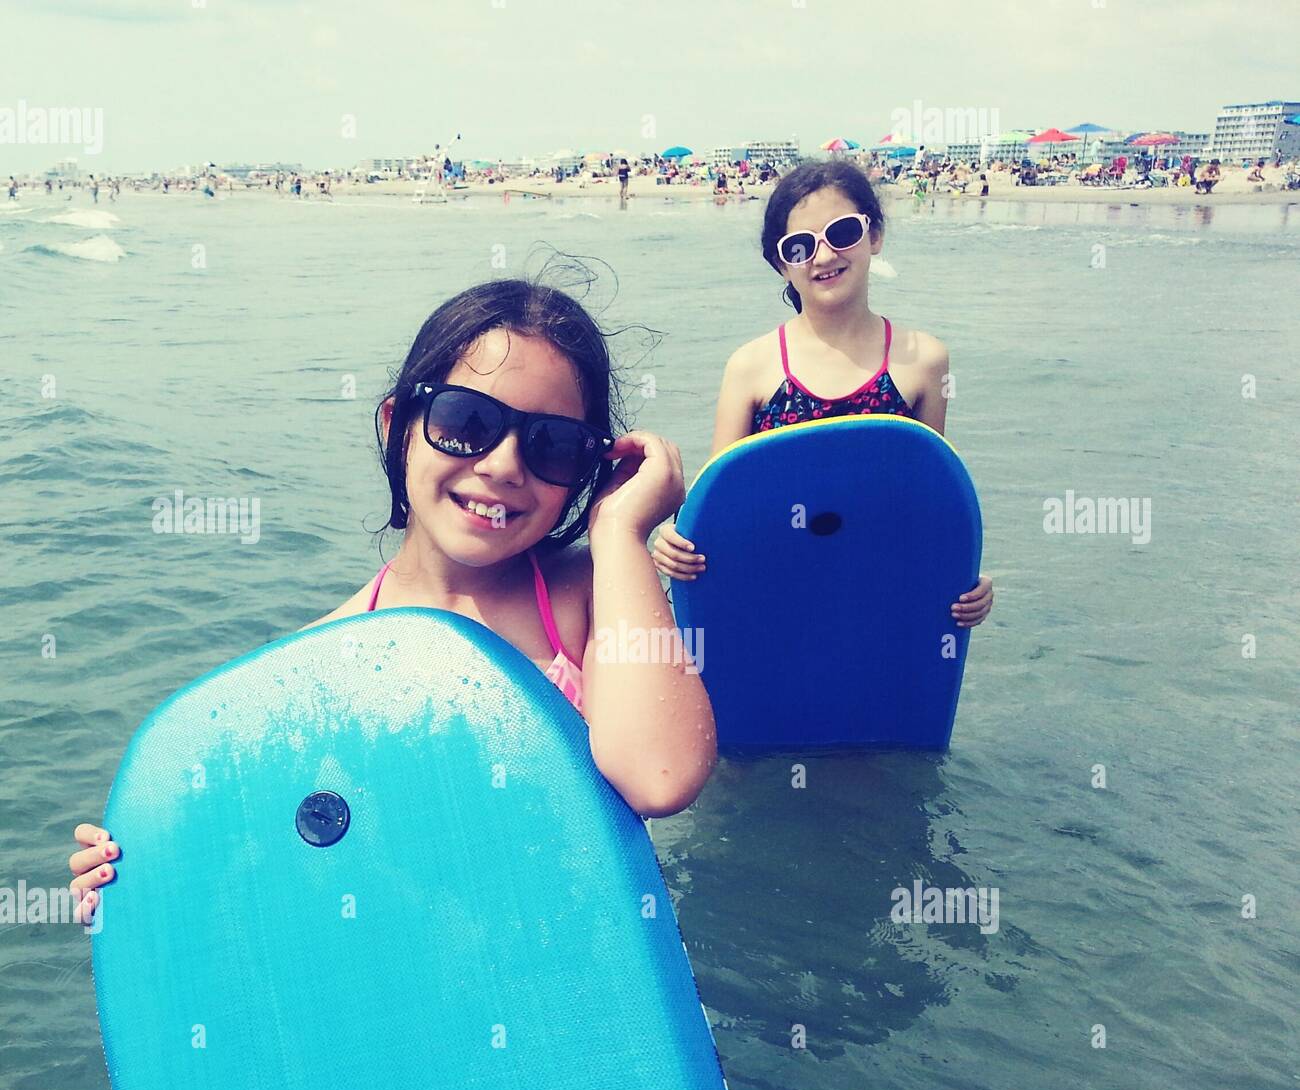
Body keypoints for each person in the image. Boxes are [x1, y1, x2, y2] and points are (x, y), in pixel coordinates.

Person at [67, 279, 715, 923]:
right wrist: (140, 866)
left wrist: (620, 532)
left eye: (554, 444)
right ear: (397, 424)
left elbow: (659, 775)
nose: (503, 465)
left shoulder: (590, 599)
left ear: (586, 471)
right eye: (468, 422)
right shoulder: (315, 662)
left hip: (584, 968)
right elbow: (276, 862)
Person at [652, 161, 993, 628]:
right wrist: (673, 542)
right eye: (800, 246)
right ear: (781, 264)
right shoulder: (751, 367)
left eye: (843, 232)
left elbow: (928, 503)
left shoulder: (925, 361)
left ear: (874, 236)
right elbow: (720, 504)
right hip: (771, 593)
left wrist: (966, 577)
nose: (824, 255)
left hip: (881, 596)